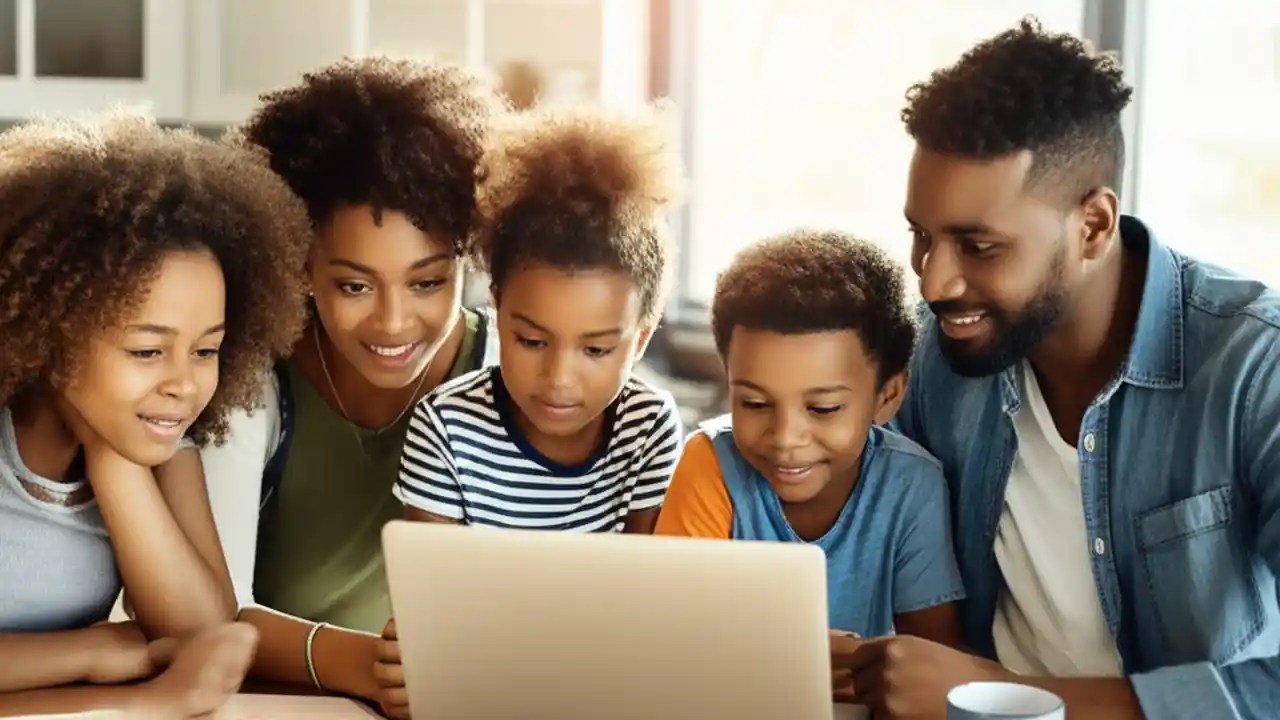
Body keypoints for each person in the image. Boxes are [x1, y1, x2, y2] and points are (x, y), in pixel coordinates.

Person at [837, 18, 1280, 720]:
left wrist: (1018, 701)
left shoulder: (1257, 369)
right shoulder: (937, 356)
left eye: (978, 246)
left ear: (1094, 227)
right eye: (922, 237)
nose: (932, 282)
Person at [197, 57, 504, 713]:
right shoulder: (254, 380)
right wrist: (365, 665)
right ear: (301, 263)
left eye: (427, 282)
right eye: (354, 285)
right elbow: (204, 612)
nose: (394, 324)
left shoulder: (514, 369)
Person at [0, 111, 310, 717]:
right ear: (51, 332)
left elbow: (202, 640)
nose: (183, 385)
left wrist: (113, 459)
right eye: (147, 351)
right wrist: (89, 654)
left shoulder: (159, 443)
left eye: (206, 351)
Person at [655, 230, 964, 651]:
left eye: (822, 409)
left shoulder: (912, 485)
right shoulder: (709, 464)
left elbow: (932, 662)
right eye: (755, 403)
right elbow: (676, 638)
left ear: (887, 396)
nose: (785, 440)